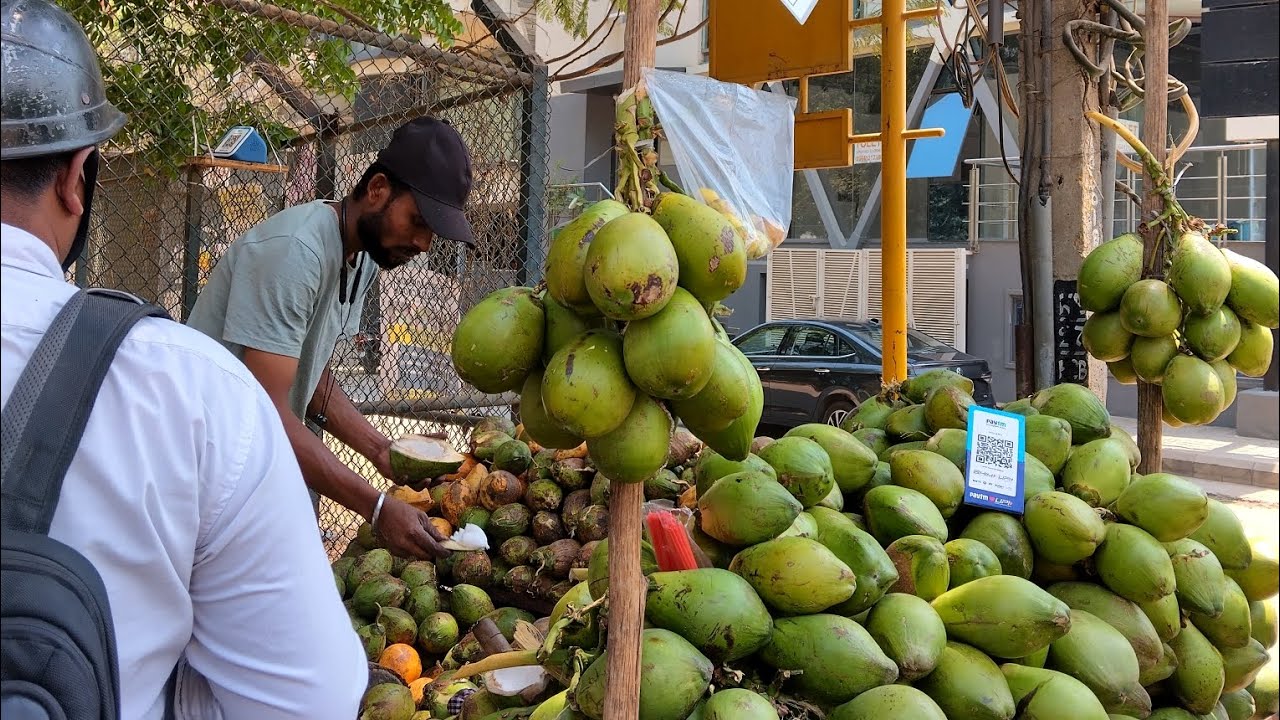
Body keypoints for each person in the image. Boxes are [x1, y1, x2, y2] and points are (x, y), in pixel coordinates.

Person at [0, 1, 367, 718]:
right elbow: (311, 702)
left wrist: (378, 454)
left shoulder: (343, 267)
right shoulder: (189, 391)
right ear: (79, 177)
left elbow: (314, 380)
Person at [186, 116, 476, 561]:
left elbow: (312, 377)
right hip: (197, 478)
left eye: (432, 233)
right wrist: (376, 507)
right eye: (417, 220)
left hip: (242, 479)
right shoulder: (297, 252)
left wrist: (384, 451)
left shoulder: (359, 257)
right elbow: (267, 418)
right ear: (377, 189)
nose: (423, 244)